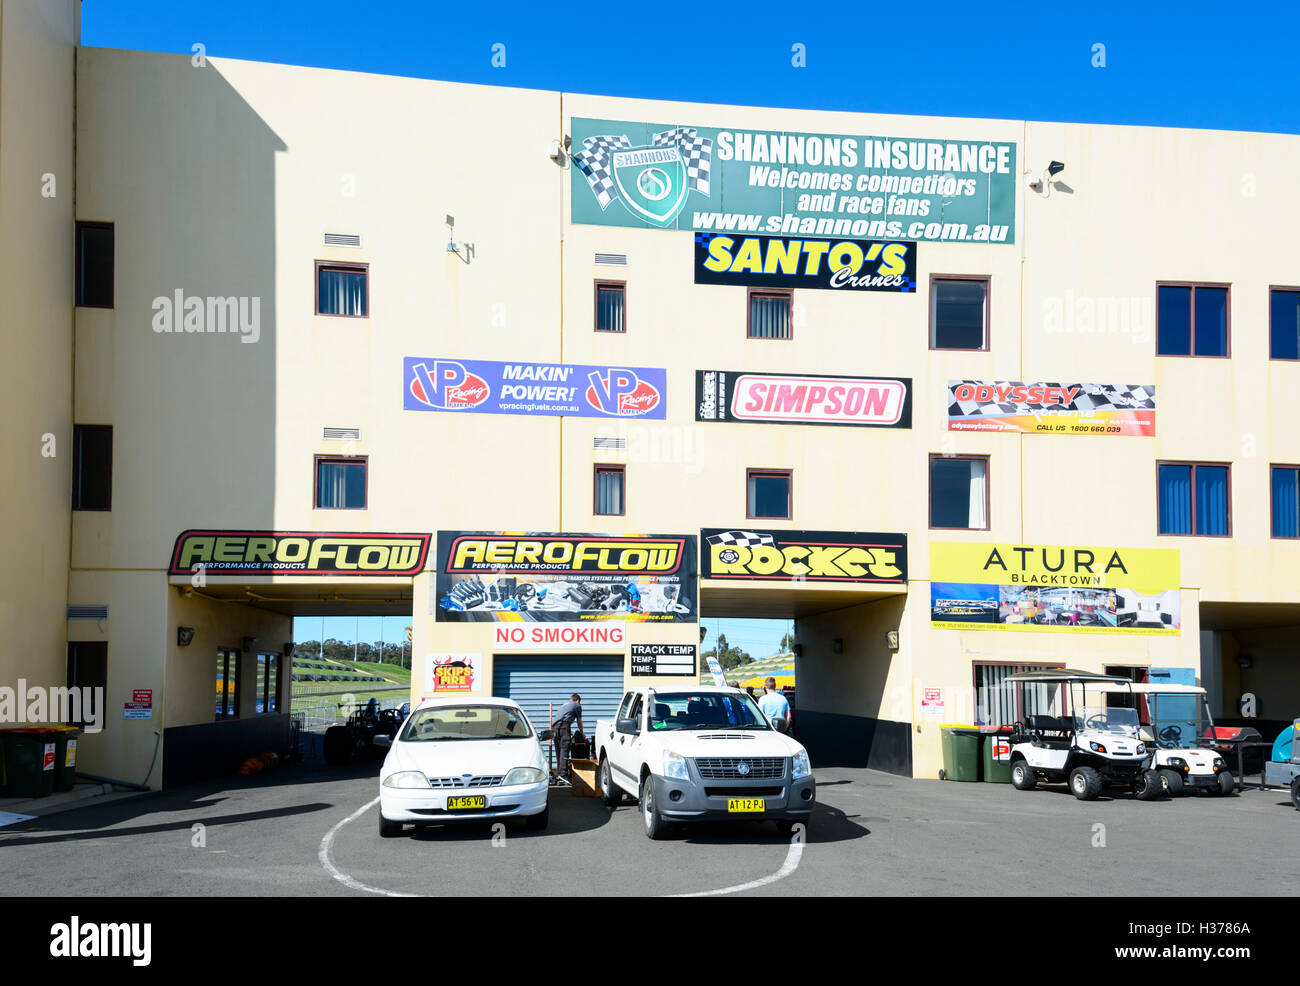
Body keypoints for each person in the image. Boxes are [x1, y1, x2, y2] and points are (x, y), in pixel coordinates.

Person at [552, 693, 583, 778]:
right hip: (564, 727)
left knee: (559, 750)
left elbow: (562, 722)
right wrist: (582, 733)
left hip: (555, 728)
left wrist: (570, 732)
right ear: (578, 700)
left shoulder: (565, 705)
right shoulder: (577, 705)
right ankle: (563, 774)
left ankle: (559, 772)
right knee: (565, 749)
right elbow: (579, 721)